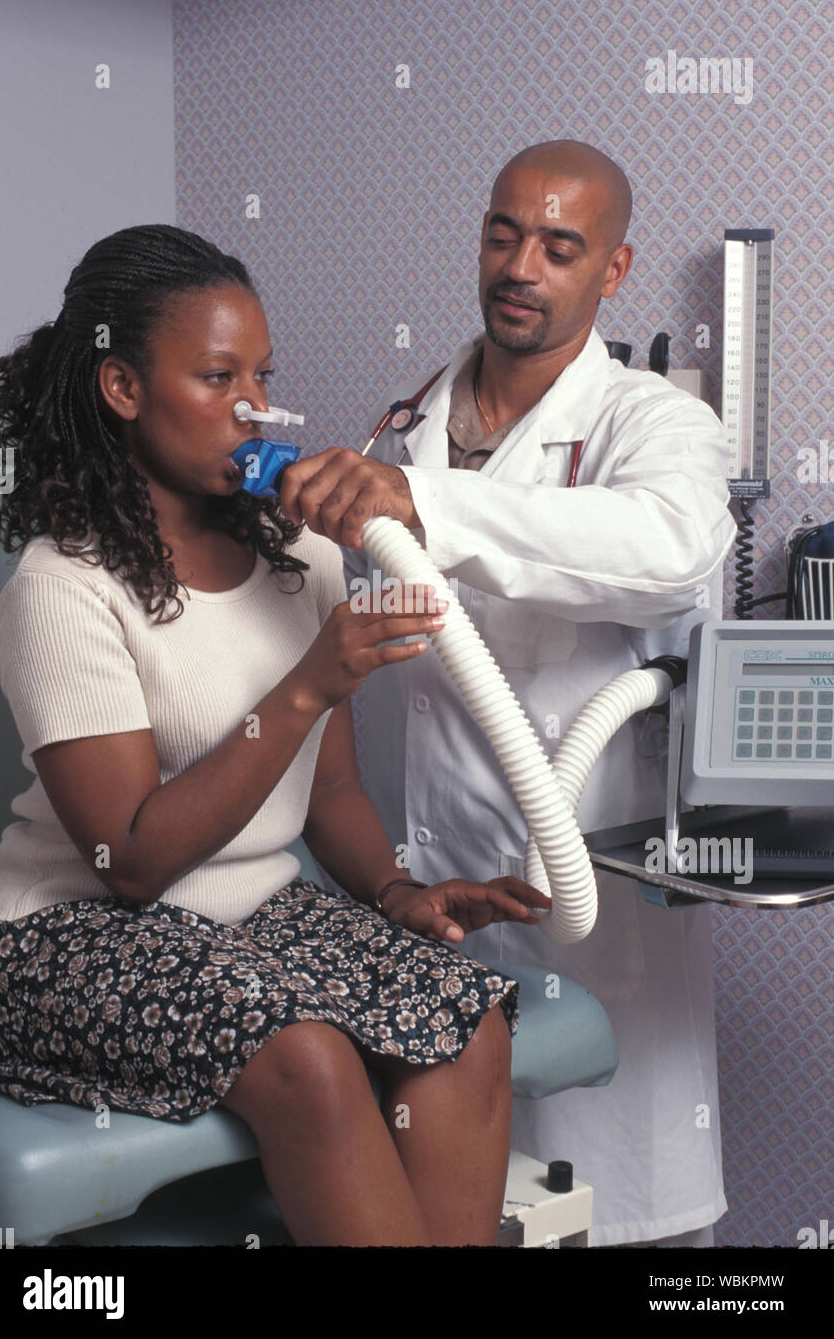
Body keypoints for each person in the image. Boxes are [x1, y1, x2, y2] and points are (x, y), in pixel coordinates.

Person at [0, 223, 552, 1249]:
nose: (255, 408)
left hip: (251, 914)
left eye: (262, 377)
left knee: (469, 1024)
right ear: (121, 387)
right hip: (67, 936)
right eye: (217, 376)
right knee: (309, 1057)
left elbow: (328, 797)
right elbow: (134, 861)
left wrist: (395, 891)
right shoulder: (62, 588)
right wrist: (308, 680)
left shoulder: (300, 555)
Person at [276, 141, 738, 1247]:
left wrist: (427, 504)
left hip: (583, 899)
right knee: (468, 1210)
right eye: (502, 234)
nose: (521, 265)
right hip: (430, 888)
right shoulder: (413, 421)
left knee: (626, 1216)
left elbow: (670, 548)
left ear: (612, 269)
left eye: (560, 245)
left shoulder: (652, 422)